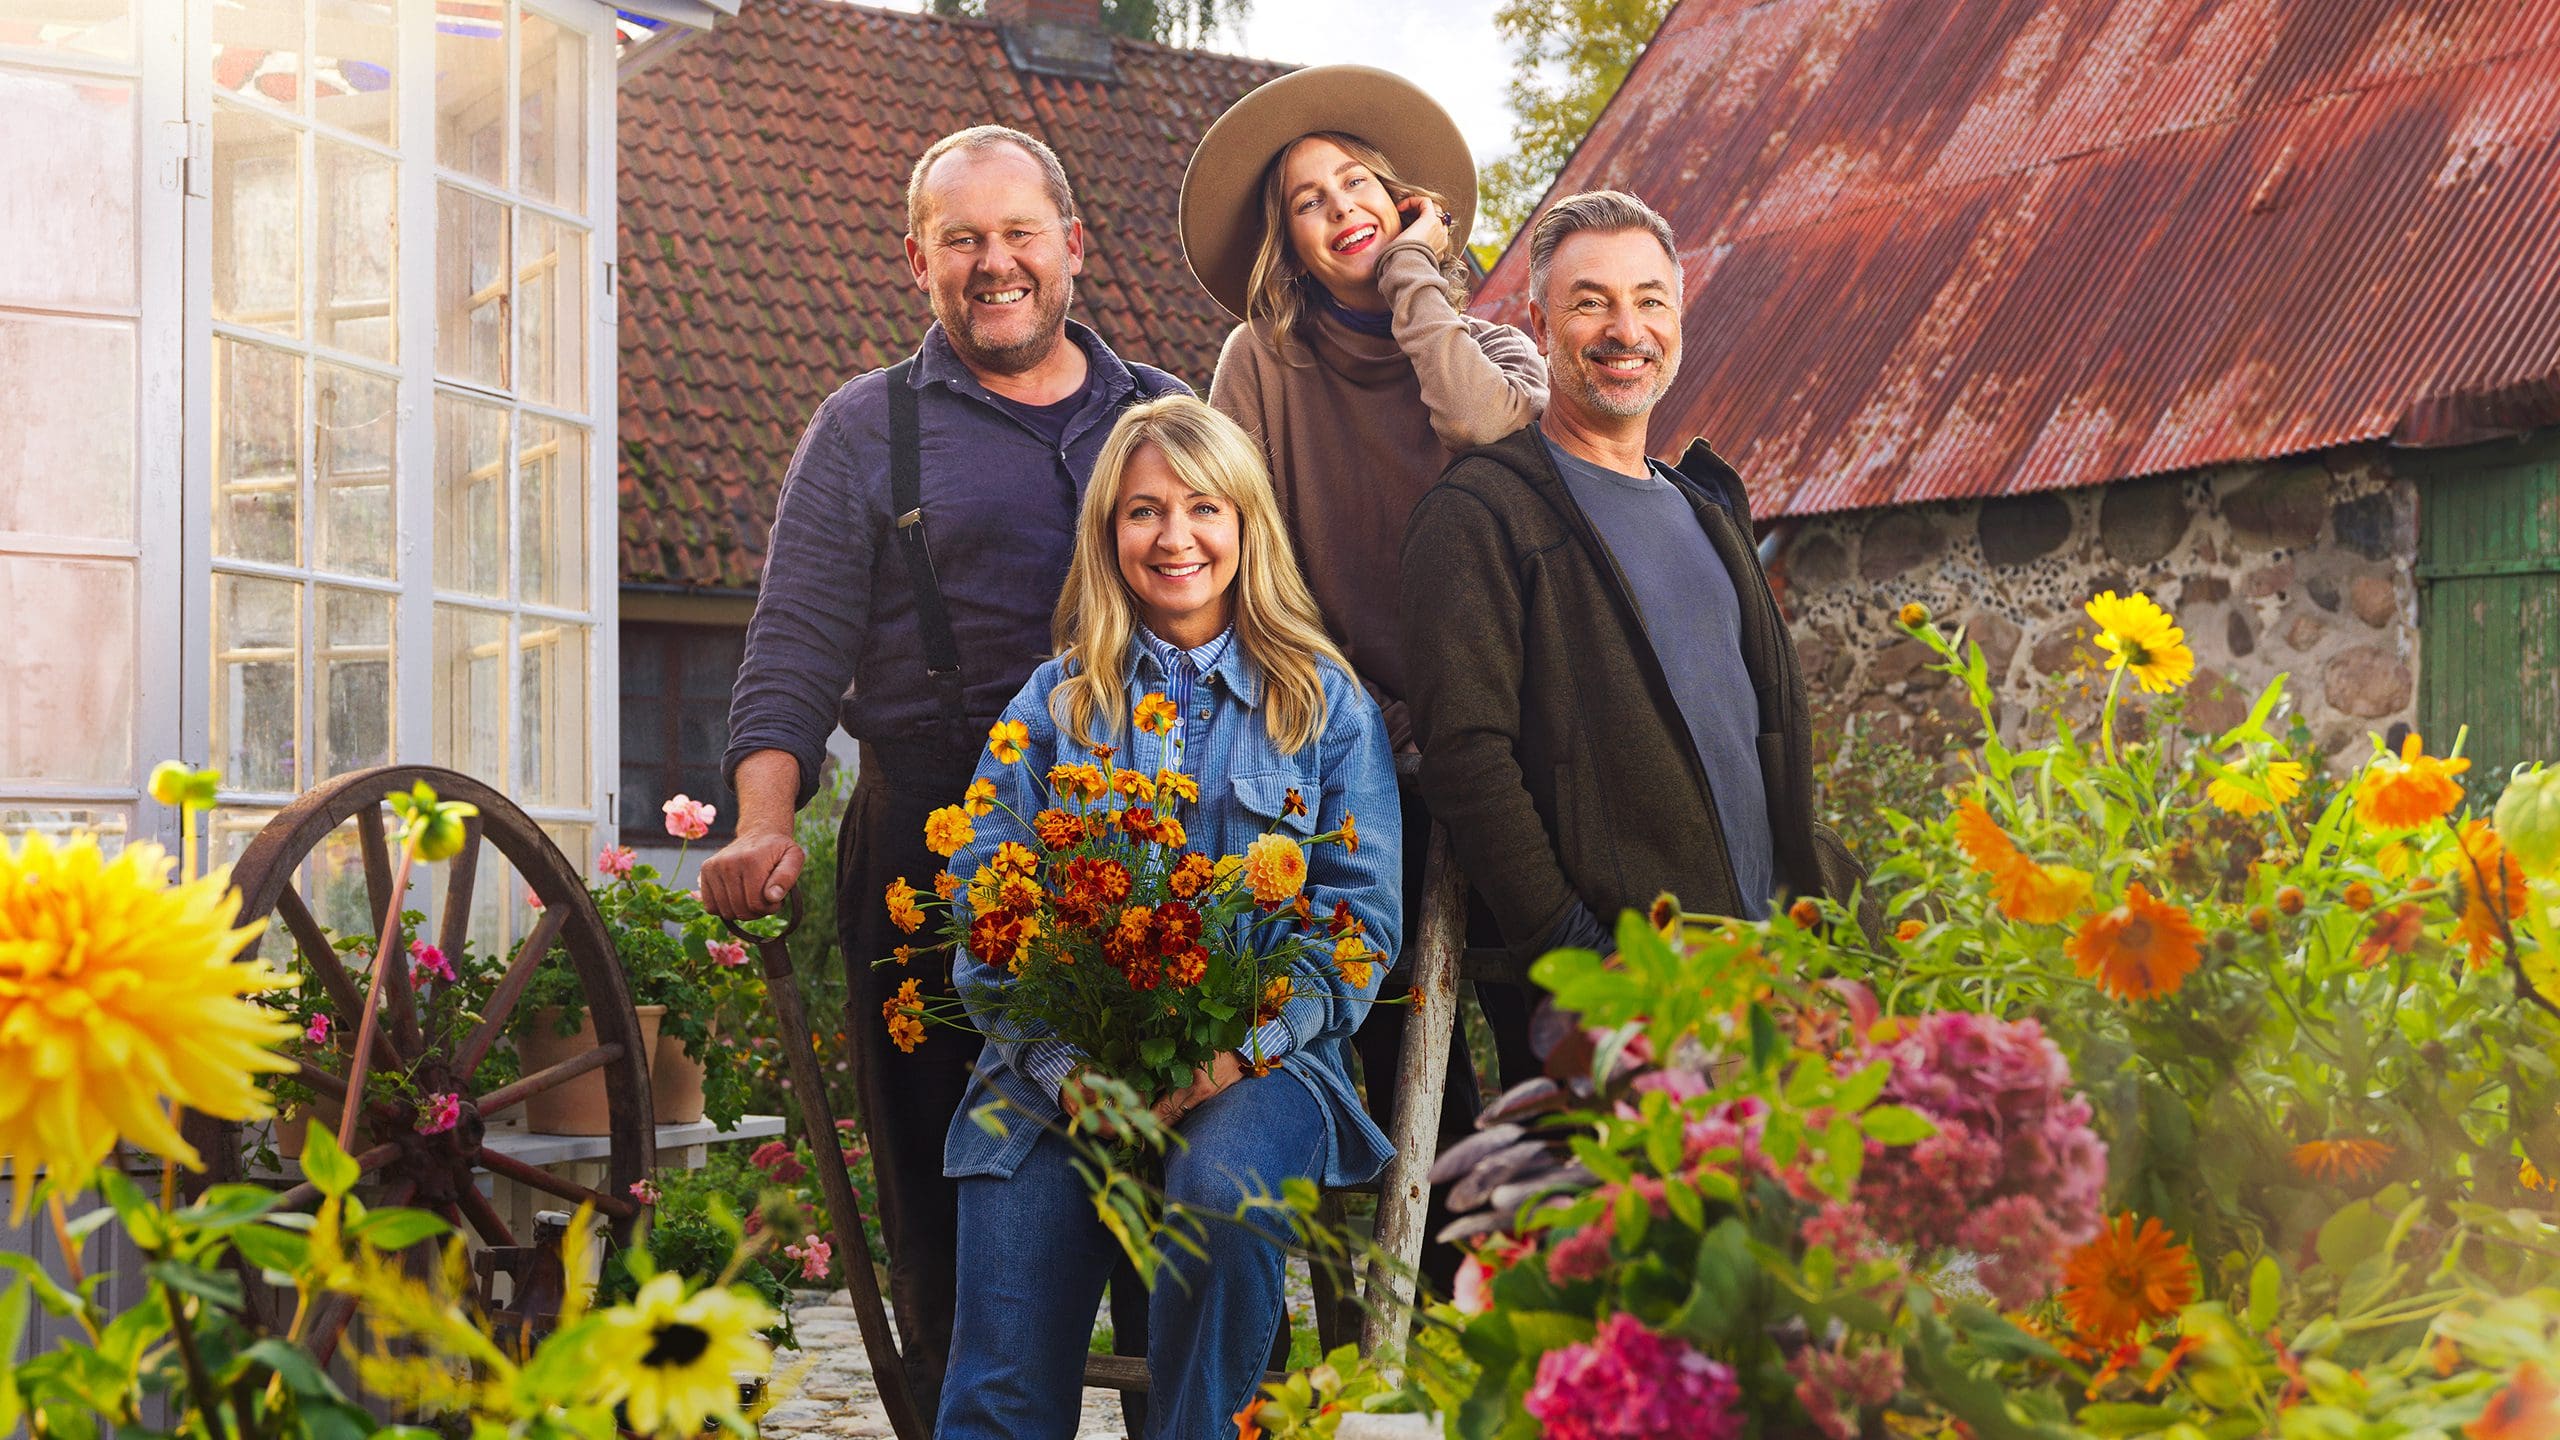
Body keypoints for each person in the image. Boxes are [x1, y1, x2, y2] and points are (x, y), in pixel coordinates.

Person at [698, 125, 1187, 1417]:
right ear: (918, 260)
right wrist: (762, 822)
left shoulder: (1162, 412)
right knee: (953, 1195)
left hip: (1148, 841)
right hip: (931, 840)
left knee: (1168, 1191)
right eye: (962, 240)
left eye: (1018, 233)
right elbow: (794, 645)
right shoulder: (866, 430)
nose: (994, 263)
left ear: (1072, 247)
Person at [934, 395, 1401, 1439]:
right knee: (1000, 1368)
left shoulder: (1321, 706)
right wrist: (1063, 1066)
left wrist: (1237, 1056)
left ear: (1246, 526)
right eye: (1144, 511)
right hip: (1055, 1068)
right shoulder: (1052, 708)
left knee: (1223, 1193)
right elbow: (978, 902)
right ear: (1110, 534)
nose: (1175, 537)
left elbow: (1356, 928)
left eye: (1203, 508)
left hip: (1267, 1068)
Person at [1180, 64, 1549, 1265]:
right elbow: (1245, 554)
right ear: (1281, 240)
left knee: (1535, 1003)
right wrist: (1353, 711)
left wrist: (1415, 277)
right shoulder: (1256, 366)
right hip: (1352, 740)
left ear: (1405, 201)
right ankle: (1431, 1280)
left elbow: (1482, 433)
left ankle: (1557, 1271)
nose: (1341, 207)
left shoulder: (1489, 348)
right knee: (1384, 1017)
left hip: (1506, 736)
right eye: (1306, 200)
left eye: (1360, 184)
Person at [1401, 190, 1870, 977]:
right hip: (1628, 1008)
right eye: (1591, 304)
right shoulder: (1481, 517)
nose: (1627, 331)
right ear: (1542, 327)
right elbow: (1467, 764)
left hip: (1782, 976)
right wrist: (1586, 964)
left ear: (1677, 323)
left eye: (1650, 301)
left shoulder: (1707, 508)